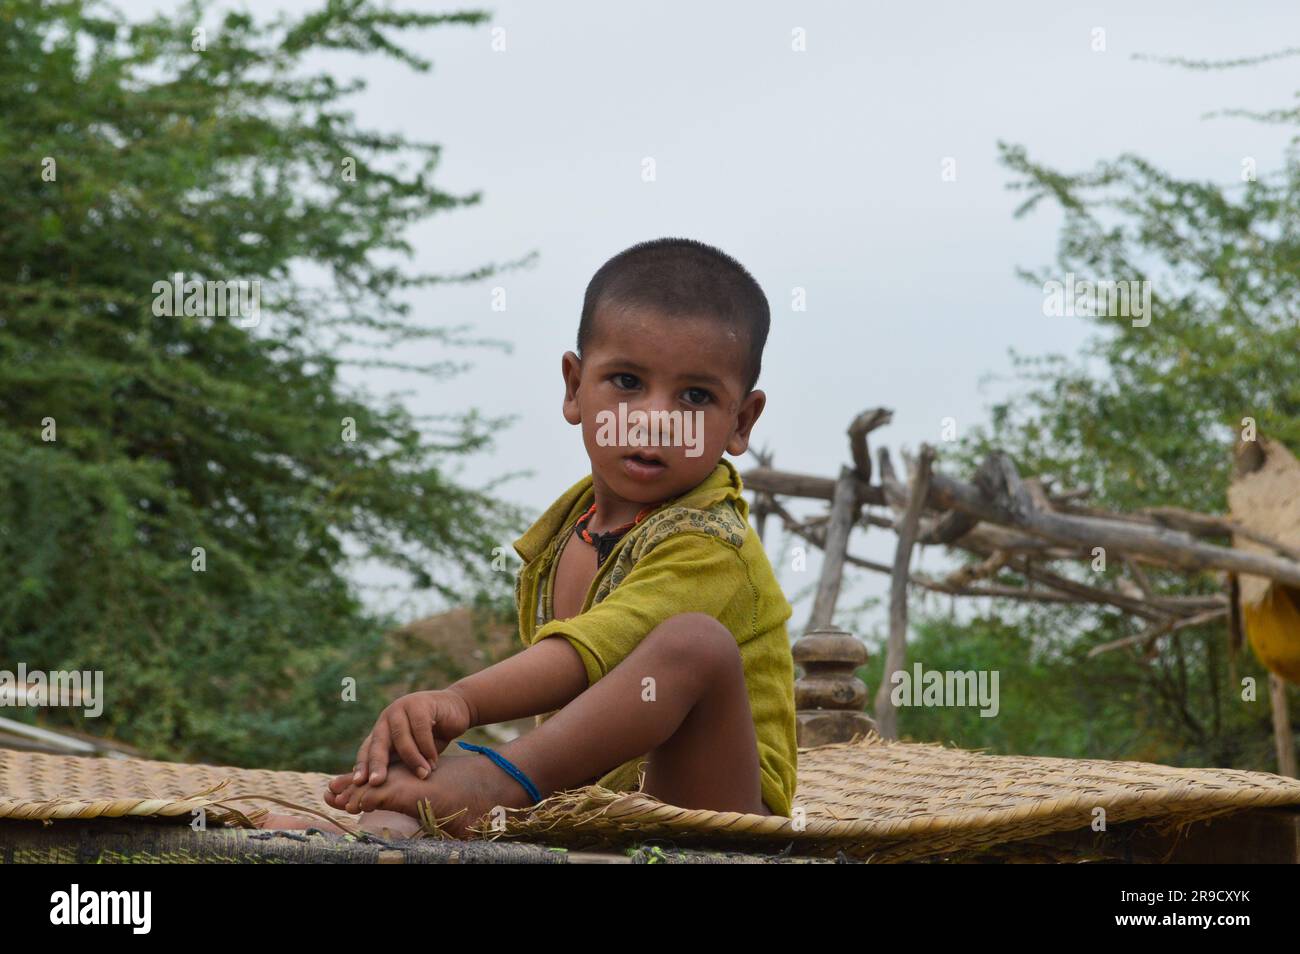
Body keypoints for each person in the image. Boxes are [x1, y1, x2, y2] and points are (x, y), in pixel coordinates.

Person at [262, 237, 798, 839]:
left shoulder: (710, 541)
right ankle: (368, 838)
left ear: (741, 421)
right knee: (409, 804)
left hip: (718, 817)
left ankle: (490, 785)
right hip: (592, 807)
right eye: (626, 381)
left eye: (696, 397)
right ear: (574, 387)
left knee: (696, 644)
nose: (653, 417)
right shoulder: (570, 527)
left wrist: (462, 703)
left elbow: (589, 651)